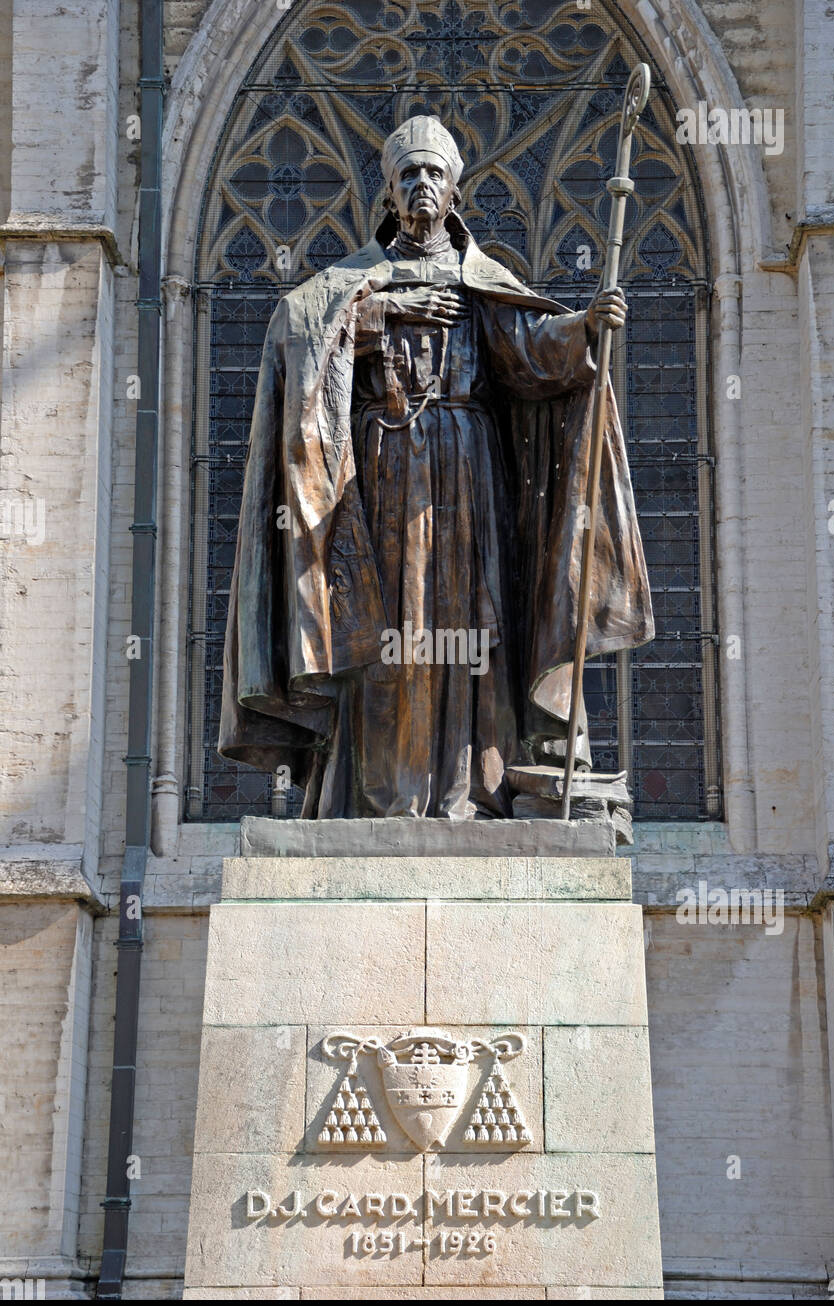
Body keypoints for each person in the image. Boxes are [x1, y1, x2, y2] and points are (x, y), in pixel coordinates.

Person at [219, 116, 653, 819]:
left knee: (474, 622)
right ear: (389, 194)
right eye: (408, 175)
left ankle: (473, 790)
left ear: (456, 191)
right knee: (382, 632)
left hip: (468, 471)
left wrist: (585, 329)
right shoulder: (353, 284)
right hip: (378, 479)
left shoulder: (477, 280)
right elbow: (296, 329)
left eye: (434, 174)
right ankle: (373, 799)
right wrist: (375, 316)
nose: (422, 185)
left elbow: (531, 349)